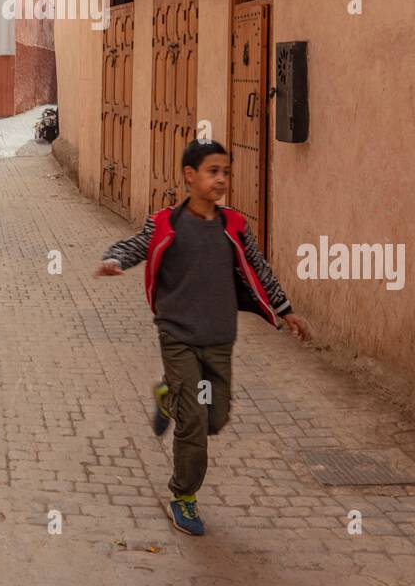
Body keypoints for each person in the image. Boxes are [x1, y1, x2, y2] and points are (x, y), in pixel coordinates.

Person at [94, 139, 309, 536]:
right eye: (213, 171)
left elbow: (259, 270)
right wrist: (114, 259)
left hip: (219, 337)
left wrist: (286, 309)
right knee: (192, 422)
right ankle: (184, 495)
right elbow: (137, 246)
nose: (221, 179)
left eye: (226, 172)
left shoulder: (234, 227)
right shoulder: (165, 223)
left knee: (216, 416)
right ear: (190, 176)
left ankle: (168, 395)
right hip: (176, 334)